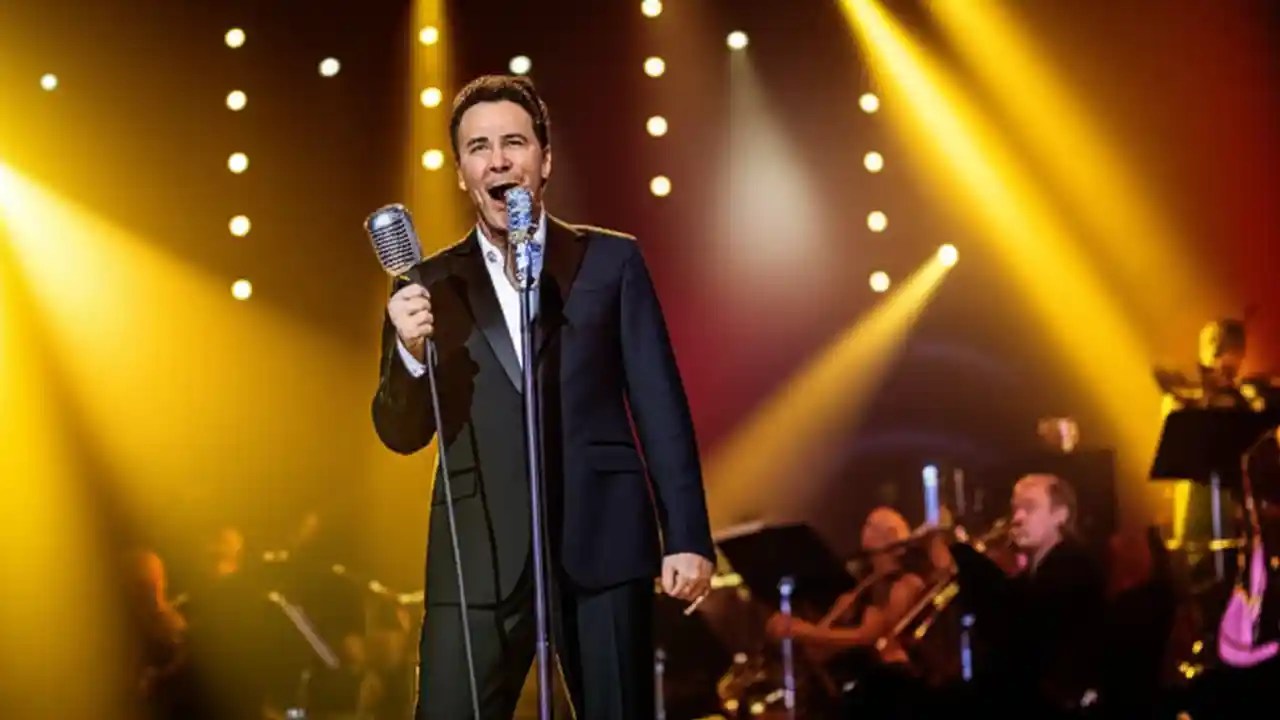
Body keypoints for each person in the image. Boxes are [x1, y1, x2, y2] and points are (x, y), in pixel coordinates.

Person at [371, 74, 714, 719]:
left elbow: (660, 403)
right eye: (479, 147)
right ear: (462, 171)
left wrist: (687, 534)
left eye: (513, 142)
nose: (497, 159)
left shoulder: (610, 263)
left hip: (601, 539)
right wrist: (411, 356)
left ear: (544, 159)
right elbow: (400, 432)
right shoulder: (429, 283)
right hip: (480, 548)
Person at [950, 474, 1105, 718]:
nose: (1017, 518)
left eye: (1029, 508)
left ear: (1060, 515)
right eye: (1015, 509)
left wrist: (963, 556)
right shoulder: (1032, 575)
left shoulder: (1075, 567)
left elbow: (1018, 631)